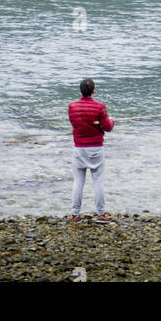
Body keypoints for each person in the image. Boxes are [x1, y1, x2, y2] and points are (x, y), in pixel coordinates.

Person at [68, 77, 115, 223]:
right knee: (98, 181)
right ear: (93, 91)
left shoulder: (72, 107)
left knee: (78, 182)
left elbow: (75, 123)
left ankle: (75, 214)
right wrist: (111, 121)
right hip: (95, 148)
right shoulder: (100, 107)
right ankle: (101, 214)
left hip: (79, 148)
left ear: (81, 91)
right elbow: (108, 127)